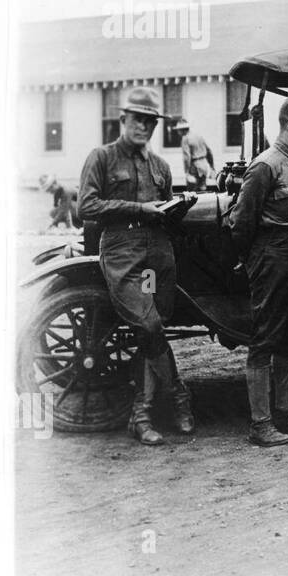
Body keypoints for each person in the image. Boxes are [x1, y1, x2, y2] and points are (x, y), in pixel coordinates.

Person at [77, 86, 195, 445]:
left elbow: (168, 209)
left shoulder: (160, 165)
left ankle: (141, 417)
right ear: (123, 119)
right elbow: (87, 206)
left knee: (153, 327)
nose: (143, 127)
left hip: (156, 253)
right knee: (149, 322)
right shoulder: (101, 157)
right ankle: (178, 395)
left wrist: (178, 207)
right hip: (122, 251)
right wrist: (137, 209)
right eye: (138, 119)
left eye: (150, 122)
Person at [226, 93, 288, 447]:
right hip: (274, 255)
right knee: (266, 337)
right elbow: (242, 223)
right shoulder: (265, 165)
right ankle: (260, 423)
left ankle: (286, 413)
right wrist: (254, 262)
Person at [176, 119, 215, 189]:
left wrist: (187, 172)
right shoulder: (199, 136)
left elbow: (186, 157)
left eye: (178, 130)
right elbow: (209, 151)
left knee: (192, 191)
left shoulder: (185, 138)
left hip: (194, 166)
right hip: (204, 165)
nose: (178, 132)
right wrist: (212, 166)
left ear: (182, 130)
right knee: (202, 187)